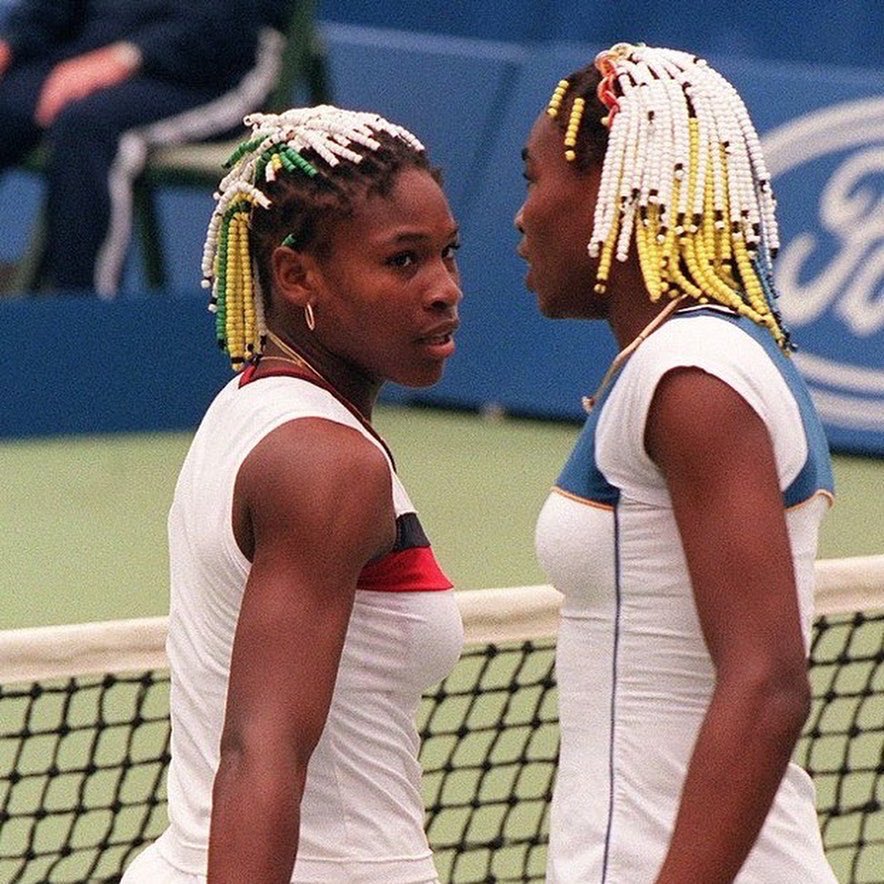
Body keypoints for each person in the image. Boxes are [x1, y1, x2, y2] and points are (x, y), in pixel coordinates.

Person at [515, 43, 837, 882]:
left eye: (535, 180)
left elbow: (768, 682)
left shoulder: (694, 377)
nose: (523, 215)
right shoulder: (682, 362)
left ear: (612, 186)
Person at [121, 105, 464, 882]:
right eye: (404, 262)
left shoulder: (248, 406)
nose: (444, 289)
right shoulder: (327, 462)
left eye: (448, 253)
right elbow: (260, 755)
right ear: (296, 274)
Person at [0, 0, 294, 296]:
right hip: (94, 50)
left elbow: (223, 23)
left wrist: (125, 58)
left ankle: (85, 318)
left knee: (87, 128)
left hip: (211, 66)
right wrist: (10, 43)